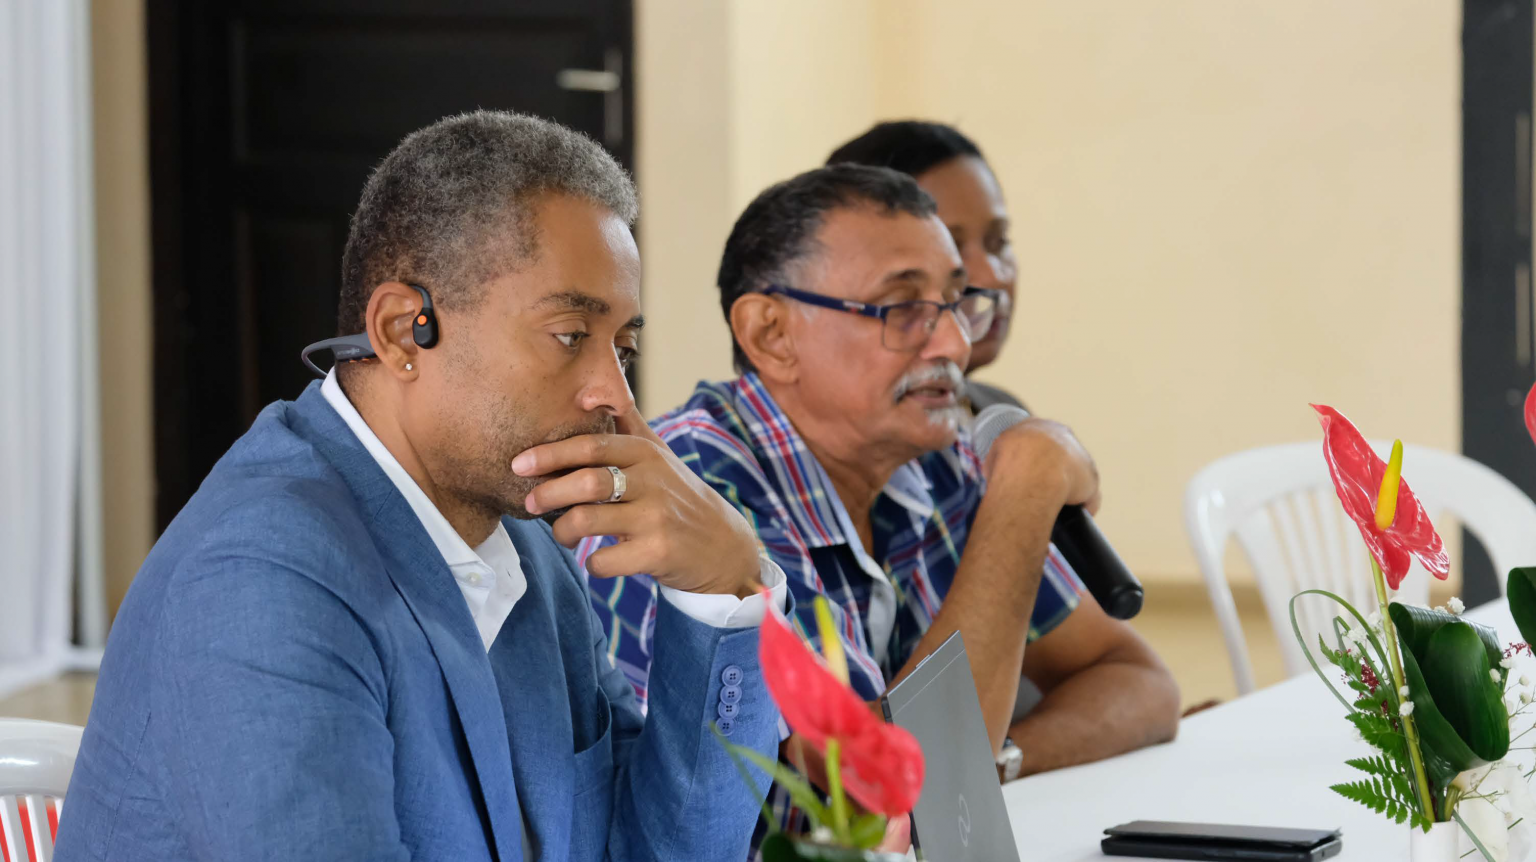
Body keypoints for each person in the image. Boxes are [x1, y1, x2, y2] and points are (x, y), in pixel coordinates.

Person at [55, 111, 786, 862]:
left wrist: (721, 590)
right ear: (406, 331)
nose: (616, 397)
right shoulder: (261, 578)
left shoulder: (532, 543)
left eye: (622, 349)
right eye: (571, 336)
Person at [580, 164, 1180, 851]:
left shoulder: (934, 457)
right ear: (772, 333)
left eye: (956, 303)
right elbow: (885, 795)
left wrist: (1004, 758)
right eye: (903, 310)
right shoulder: (700, 494)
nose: (955, 344)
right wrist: (1024, 494)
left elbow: (1139, 682)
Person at [827, 120, 1024, 414]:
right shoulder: (849, 441)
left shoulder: (1002, 414)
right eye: (950, 247)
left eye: (998, 242)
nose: (992, 277)